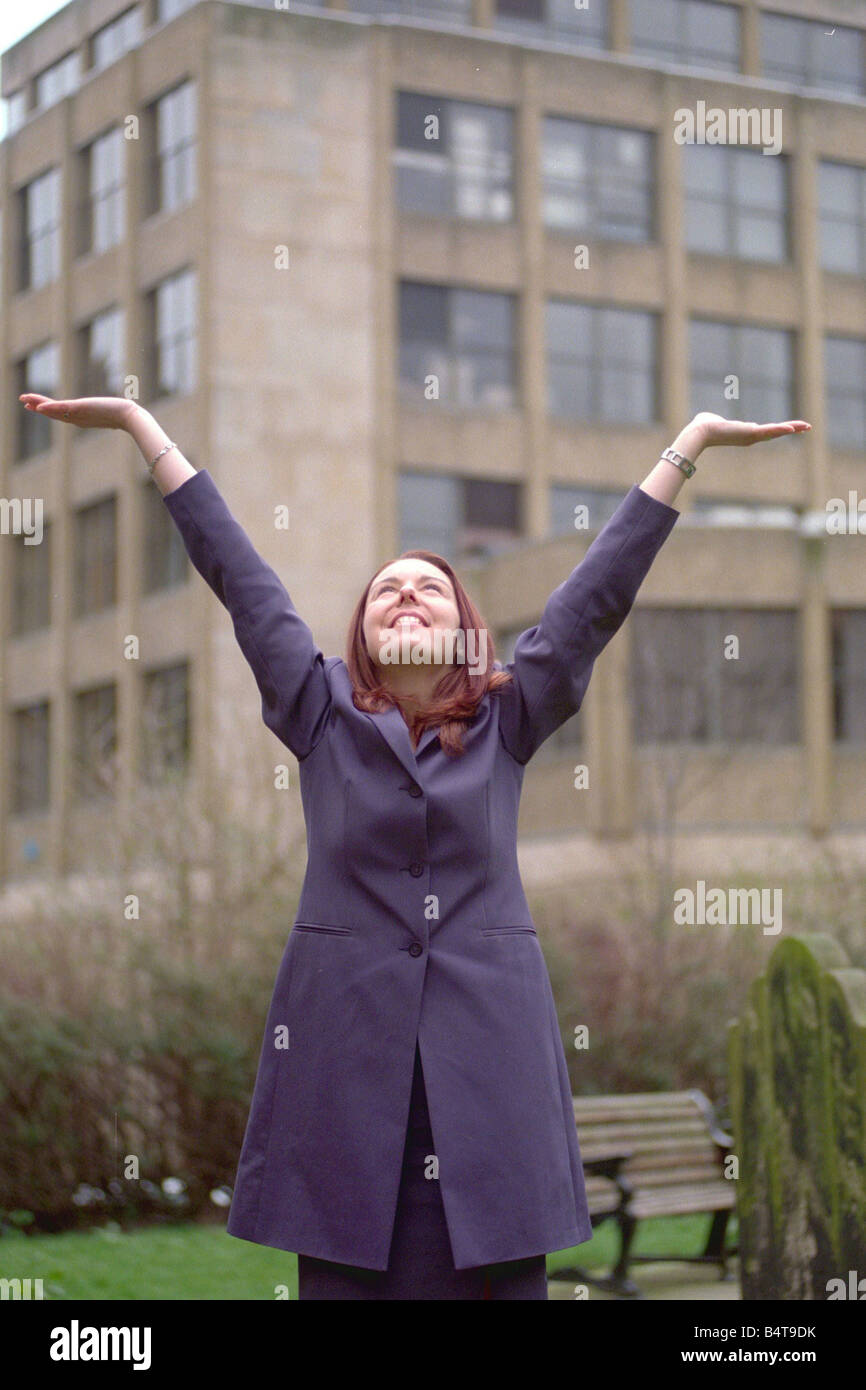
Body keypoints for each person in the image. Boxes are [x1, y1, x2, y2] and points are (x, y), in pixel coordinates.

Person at [19, 392, 811, 1299]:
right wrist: (140, 427)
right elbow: (239, 575)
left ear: (465, 630)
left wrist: (691, 444)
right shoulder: (317, 710)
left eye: (429, 586)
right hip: (347, 1088)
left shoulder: (512, 712)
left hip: (489, 1089)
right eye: (386, 589)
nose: (405, 595)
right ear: (358, 634)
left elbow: (596, 595)